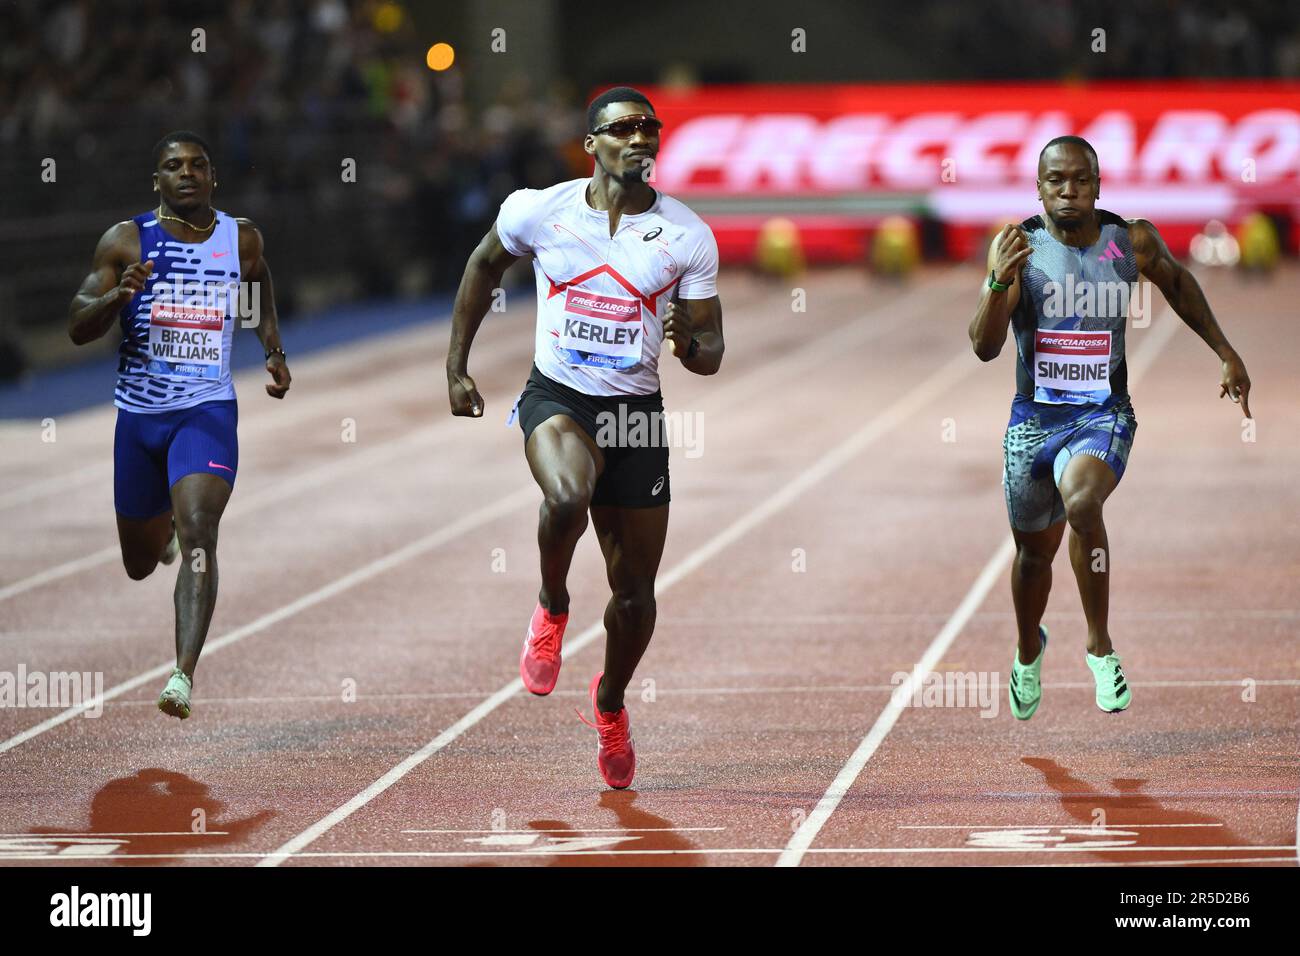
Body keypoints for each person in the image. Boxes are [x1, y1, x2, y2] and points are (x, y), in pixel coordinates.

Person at [446, 87, 723, 788]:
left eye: (648, 130)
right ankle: (552, 606)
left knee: (635, 594)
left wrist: (689, 342)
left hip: (635, 414)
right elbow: (483, 266)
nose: (639, 140)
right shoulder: (540, 209)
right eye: (623, 129)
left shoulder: (686, 234)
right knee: (567, 496)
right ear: (592, 142)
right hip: (559, 396)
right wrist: (456, 366)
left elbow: (712, 350)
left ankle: (609, 704)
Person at [968, 135, 1252, 719]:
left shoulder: (1129, 242)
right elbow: (984, 347)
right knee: (1032, 556)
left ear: (1099, 185)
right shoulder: (1019, 244)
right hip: (1034, 421)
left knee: (1083, 502)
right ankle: (1028, 649)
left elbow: (1175, 282)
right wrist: (999, 283)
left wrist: (1225, 351)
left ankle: (1099, 644)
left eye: (1079, 180)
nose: (1067, 191)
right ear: (1038, 187)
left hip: (1103, 413)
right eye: (1055, 181)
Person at [67, 131, 291, 719]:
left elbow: (259, 280)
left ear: (213, 176)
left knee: (201, 529)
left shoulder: (239, 238)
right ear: (157, 181)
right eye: (173, 166)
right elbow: (77, 326)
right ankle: (159, 532)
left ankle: (182, 675)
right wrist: (118, 294)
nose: (186, 173)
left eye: (197, 165)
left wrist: (272, 348)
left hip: (205, 408)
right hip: (140, 418)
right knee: (140, 564)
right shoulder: (126, 240)